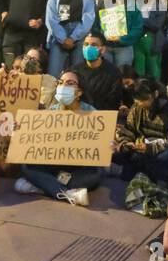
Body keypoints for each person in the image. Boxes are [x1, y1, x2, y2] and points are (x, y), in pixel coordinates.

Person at [13, 69, 103, 206]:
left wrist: (108, 145)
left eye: (70, 83)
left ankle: (43, 187)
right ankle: (67, 194)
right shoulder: (51, 112)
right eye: (60, 83)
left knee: (95, 176)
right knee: (26, 166)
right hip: (54, 166)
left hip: (78, 169)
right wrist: (22, 130)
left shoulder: (92, 113)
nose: (63, 86)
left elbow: (100, 145)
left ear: (79, 92)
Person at [113, 78, 168, 186]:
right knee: (119, 153)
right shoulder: (136, 108)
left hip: (160, 148)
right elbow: (129, 130)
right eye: (137, 100)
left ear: (155, 94)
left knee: (162, 159)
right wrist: (126, 143)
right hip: (140, 145)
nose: (140, 103)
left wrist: (150, 148)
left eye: (143, 100)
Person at [44, 0, 96, 77]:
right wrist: (63, 39)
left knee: (77, 75)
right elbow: (51, 17)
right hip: (58, 36)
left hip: (78, 36)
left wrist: (73, 38)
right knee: (53, 74)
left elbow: (88, 19)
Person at [75, 31, 125, 111]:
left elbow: (114, 102)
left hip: (103, 117)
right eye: (86, 44)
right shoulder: (74, 71)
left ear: (103, 50)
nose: (88, 48)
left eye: (93, 45)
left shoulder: (113, 73)